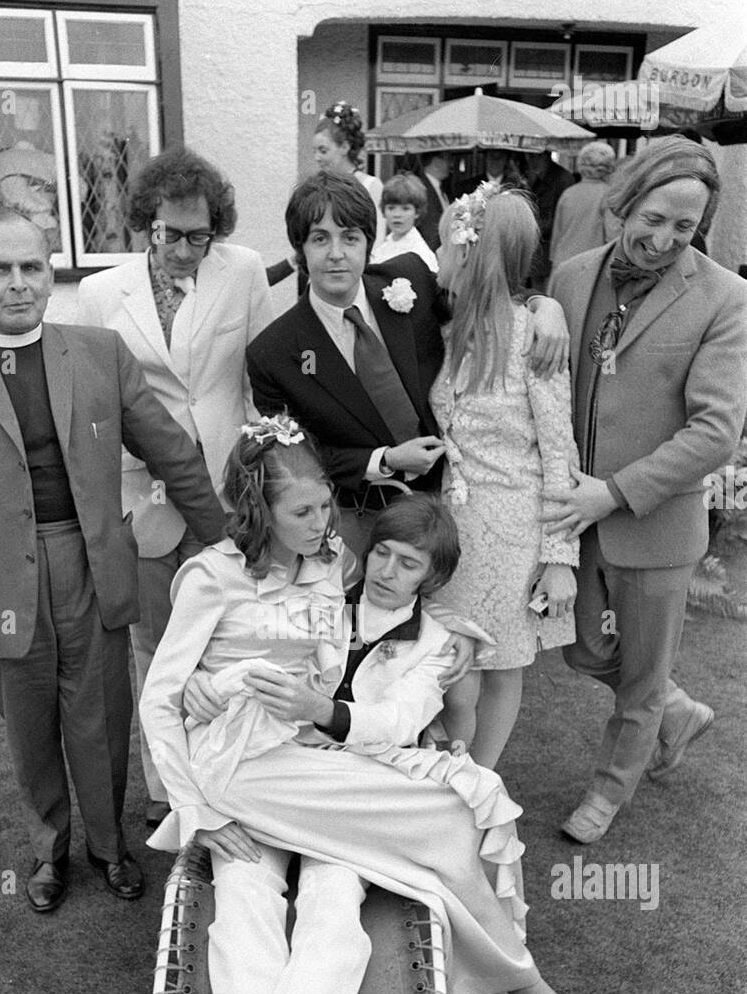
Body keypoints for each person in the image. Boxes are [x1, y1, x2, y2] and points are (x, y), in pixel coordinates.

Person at [139, 423, 632, 994]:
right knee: (430, 832)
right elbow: (161, 698)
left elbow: (359, 687)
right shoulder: (211, 578)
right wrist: (195, 798)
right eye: (303, 509)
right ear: (261, 508)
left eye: (327, 507)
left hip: (306, 768)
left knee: (347, 907)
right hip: (240, 774)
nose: (325, 523)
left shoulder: (334, 572)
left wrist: (320, 701)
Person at [0, 208, 226, 913]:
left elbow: (171, 450)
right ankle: (47, 853)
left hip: (93, 566)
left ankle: (110, 849)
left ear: (50, 275)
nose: (20, 285)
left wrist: (227, 539)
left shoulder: (101, 352)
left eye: (33, 268)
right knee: (29, 729)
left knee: (102, 720)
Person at [545, 136, 747, 842]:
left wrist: (617, 491)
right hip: (573, 514)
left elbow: (716, 432)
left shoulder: (725, 297)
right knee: (580, 649)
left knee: (641, 672)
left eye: (684, 227)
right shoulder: (569, 278)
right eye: (654, 217)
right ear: (625, 201)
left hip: (656, 523)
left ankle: (609, 790)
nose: (663, 239)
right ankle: (676, 710)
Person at [75, 147, 273, 827]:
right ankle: (167, 782)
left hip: (226, 489)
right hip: (146, 496)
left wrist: (267, 463)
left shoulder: (243, 271)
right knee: (154, 642)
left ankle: (233, 771)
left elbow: (264, 374)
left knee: (231, 632)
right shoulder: (101, 293)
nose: (187, 248)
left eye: (200, 234)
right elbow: (94, 403)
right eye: (171, 233)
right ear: (144, 224)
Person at [246, 170, 570, 557]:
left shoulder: (408, 279)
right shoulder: (272, 353)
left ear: (369, 243)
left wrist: (543, 306)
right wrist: (383, 460)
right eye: (320, 239)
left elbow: (482, 295)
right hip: (361, 522)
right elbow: (296, 458)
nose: (336, 253)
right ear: (300, 249)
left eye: (350, 237)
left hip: (452, 513)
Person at [427, 185, 580, 769]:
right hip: (451, 527)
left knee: (501, 663)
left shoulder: (533, 339)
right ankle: (443, 768)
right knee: (452, 664)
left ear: (467, 253)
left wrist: (560, 556)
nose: (435, 256)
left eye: (443, 244)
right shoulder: (447, 328)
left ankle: (479, 781)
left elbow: (558, 449)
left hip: (513, 530)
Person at [312, 101, 386, 249]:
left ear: (345, 147)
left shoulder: (371, 186)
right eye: (314, 151)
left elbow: (377, 240)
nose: (317, 158)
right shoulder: (316, 187)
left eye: (323, 150)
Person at [549, 141, 618, 269]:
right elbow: (613, 236)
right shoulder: (608, 195)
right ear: (609, 167)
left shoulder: (568, 193)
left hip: (563, 262)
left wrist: (554, 259)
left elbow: (557, 234)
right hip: (590, 266)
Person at [523, 150, 575, 290]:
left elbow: (561, 218)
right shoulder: (533, 176)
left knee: (545, 290)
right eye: (530, 155)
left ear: (546, 156)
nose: (532, 160)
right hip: (538, 246)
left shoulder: (562, 179)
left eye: (536, 155)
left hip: (550, 246)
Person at [371, 172, 439, 272]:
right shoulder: (382, 247)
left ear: (417, 212)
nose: (397, 214)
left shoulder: (420, 252)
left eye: (405, 209)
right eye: (391, 208)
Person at [414, 150, 454, 251]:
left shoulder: (441, 189)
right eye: (448, 160)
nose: (451, 164)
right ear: (436, 162)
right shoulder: (422, 188)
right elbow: (430, 231)